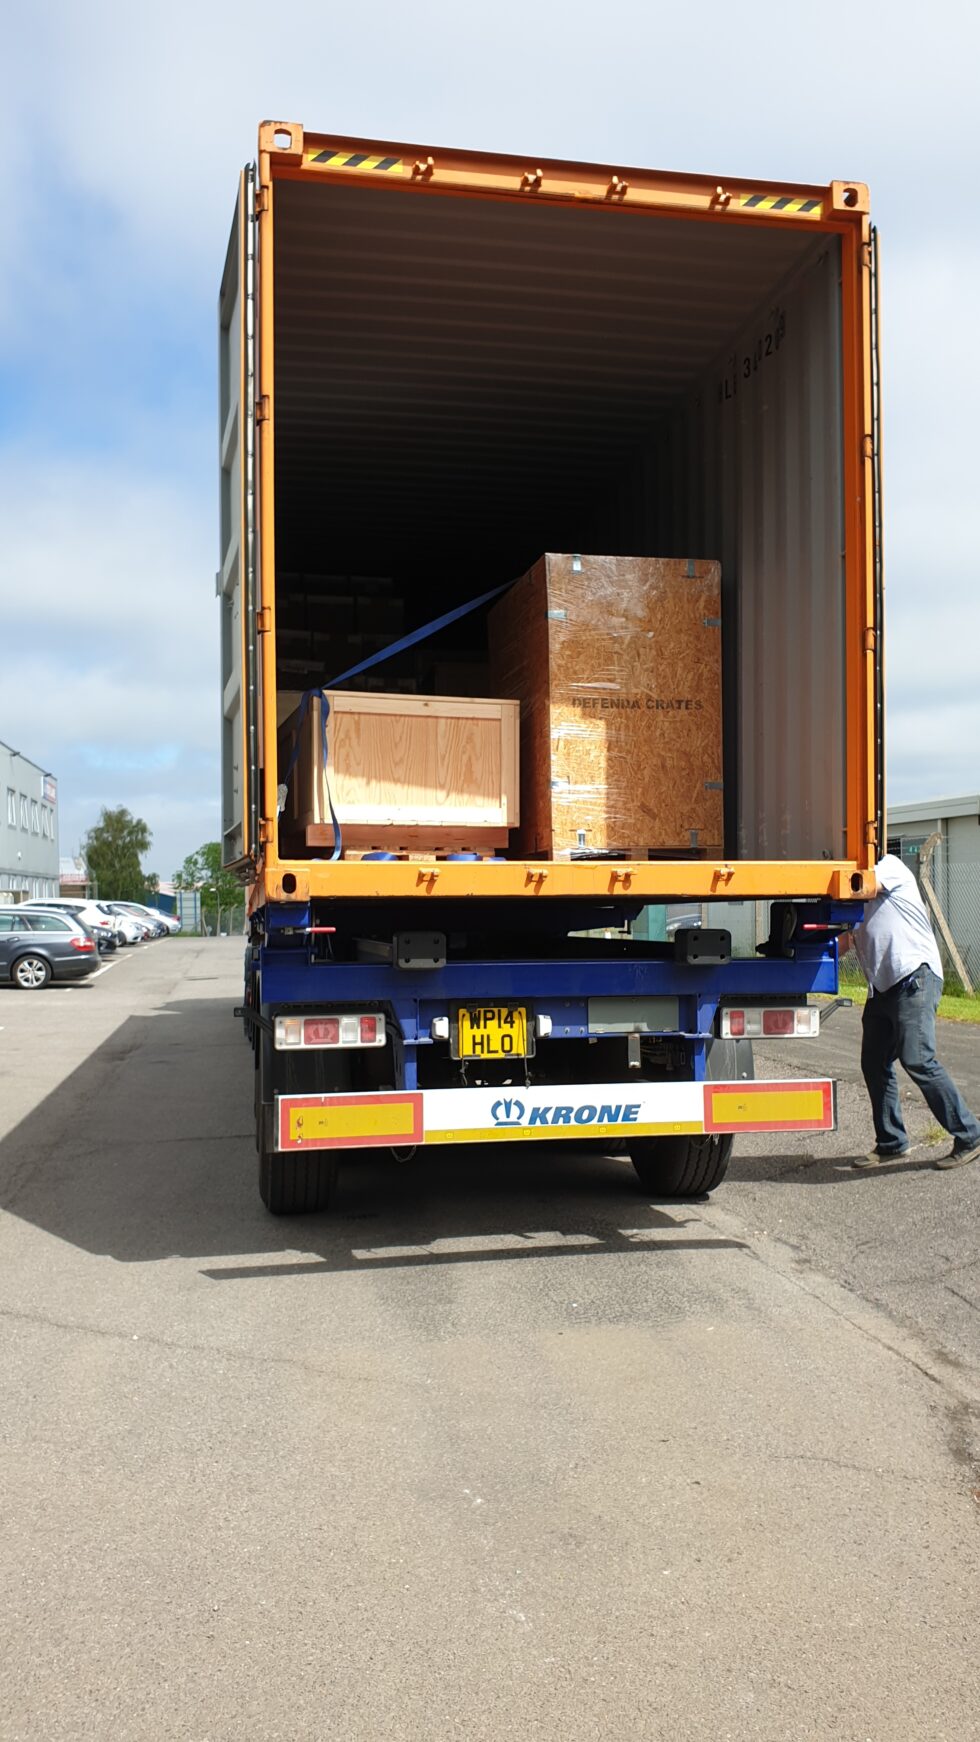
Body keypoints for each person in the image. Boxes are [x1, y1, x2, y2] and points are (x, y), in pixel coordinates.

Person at [842, 854, 980, 1169]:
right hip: (883, 988)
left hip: (913, 978)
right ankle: (891, 1142)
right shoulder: (854, 906)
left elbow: (863, 885)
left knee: (917, 1057)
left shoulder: (888, 867)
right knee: (874, 1062)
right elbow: (843, 942)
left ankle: (970, 1134)